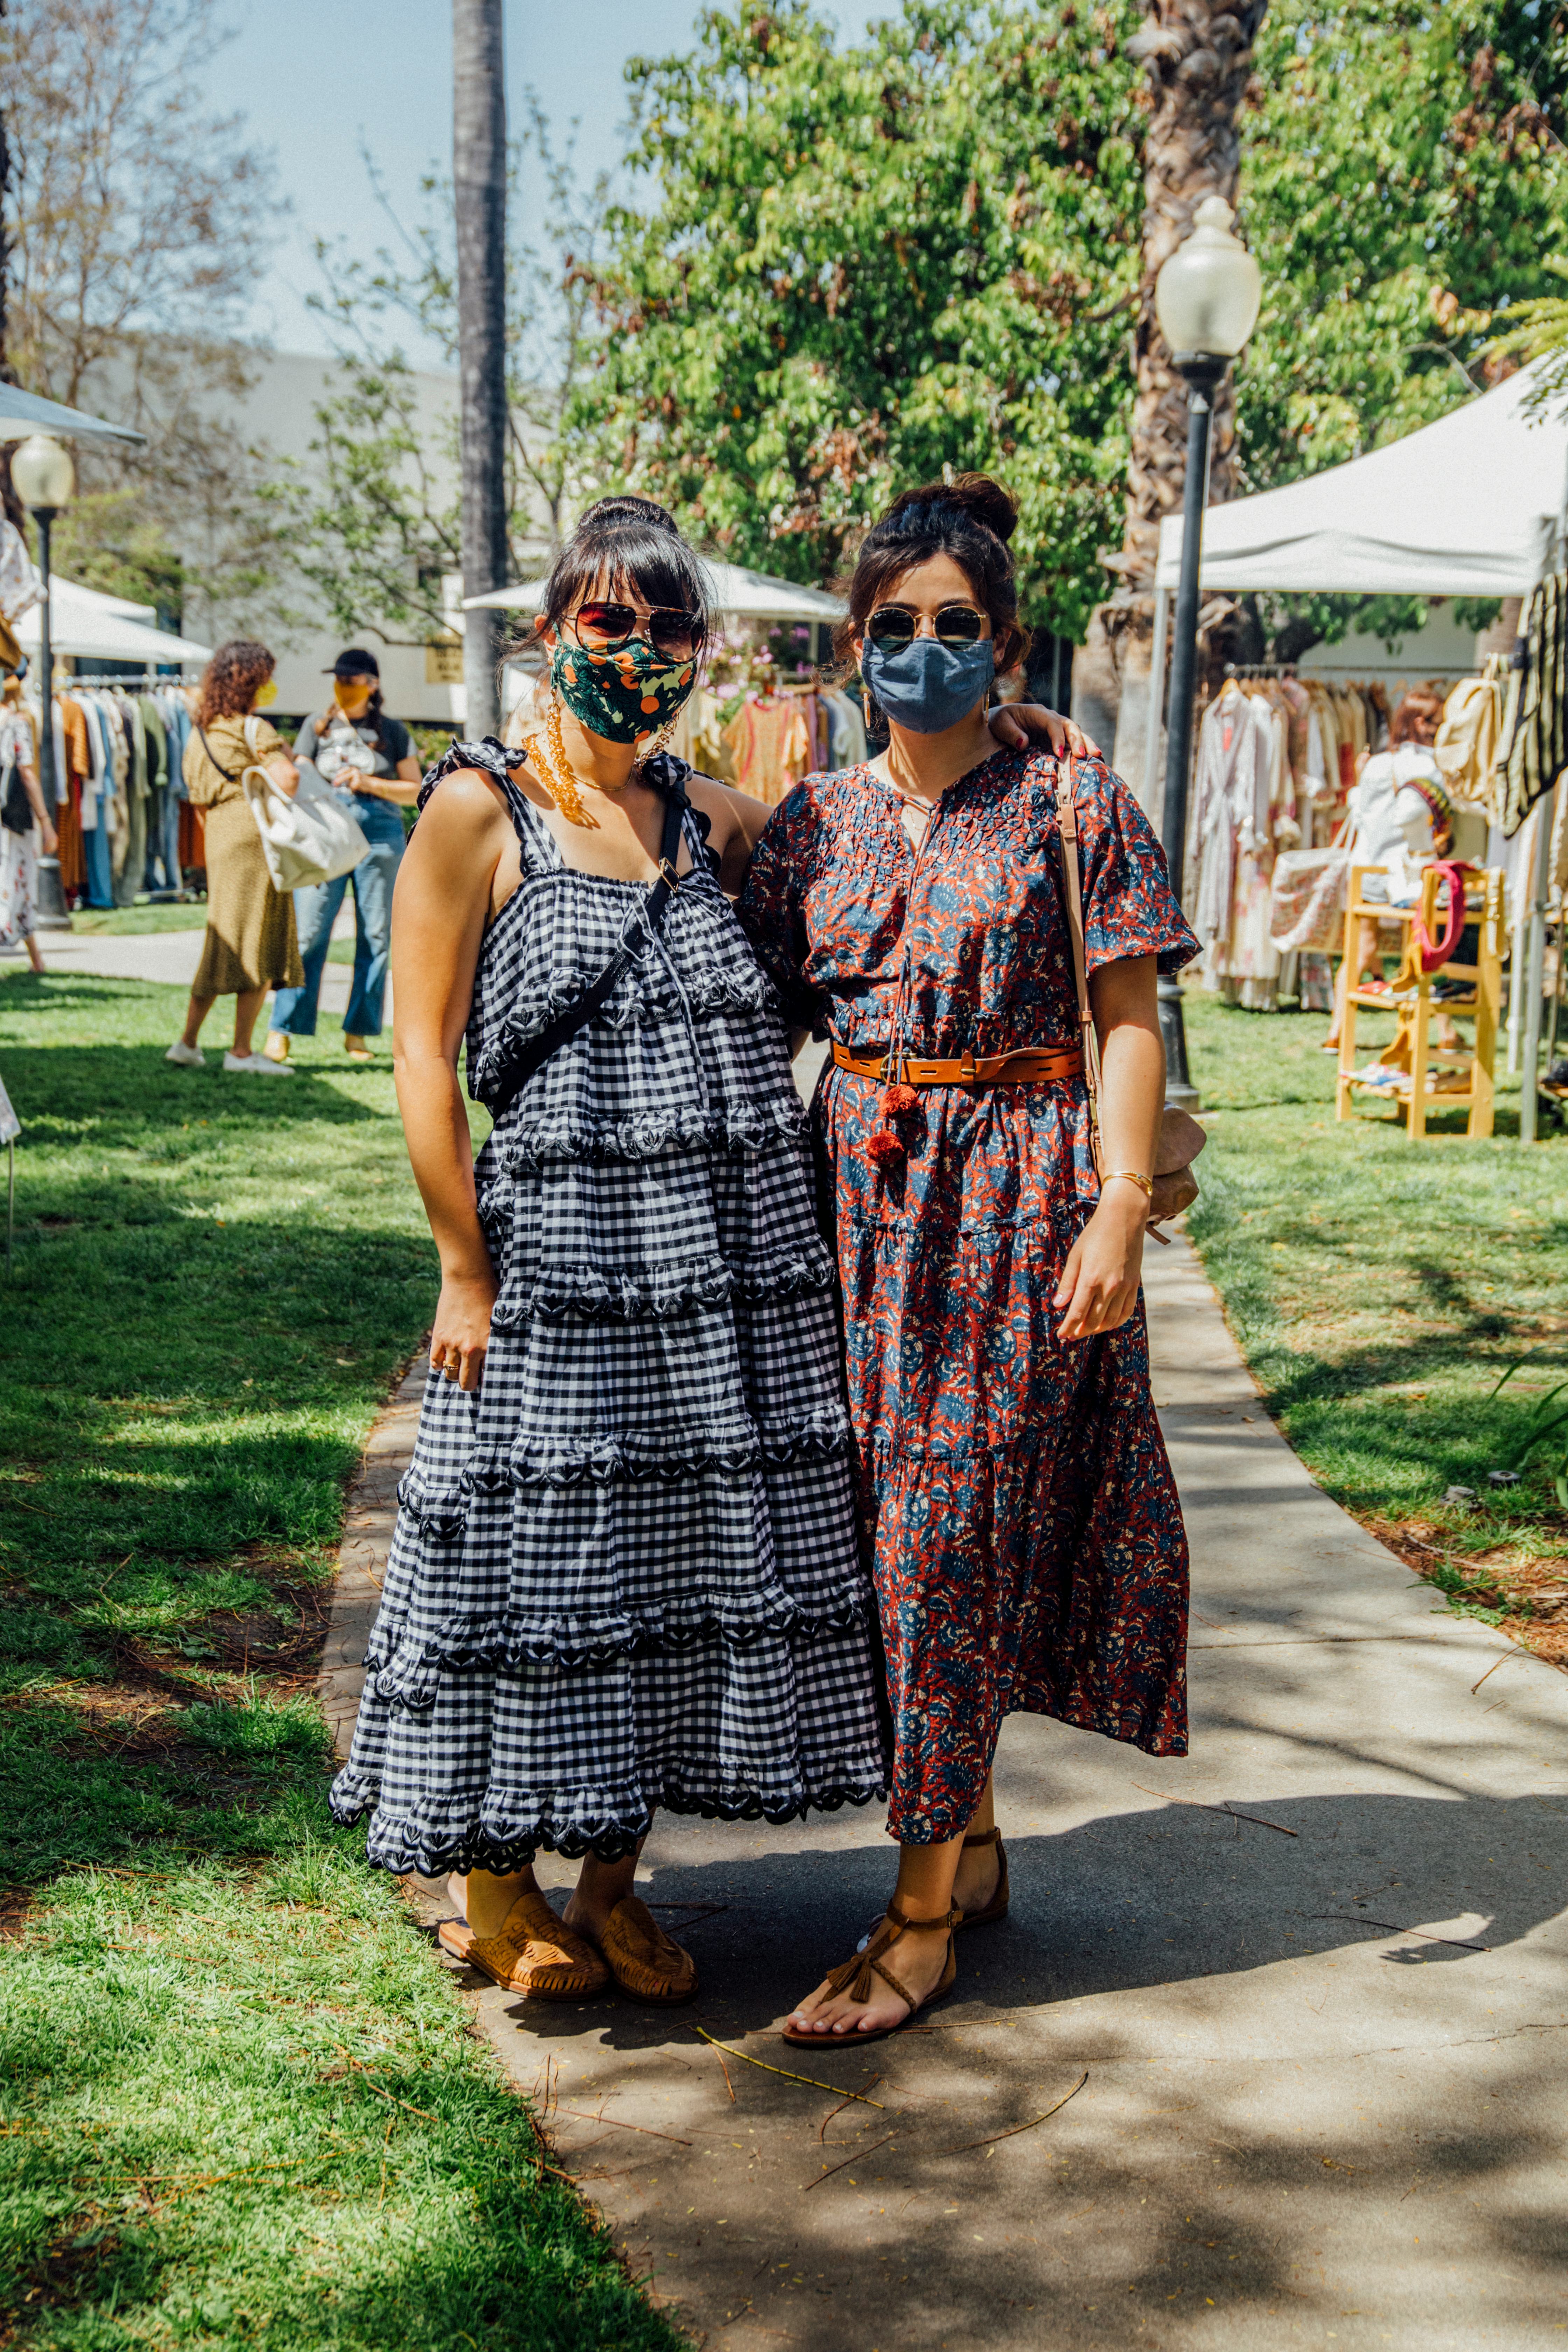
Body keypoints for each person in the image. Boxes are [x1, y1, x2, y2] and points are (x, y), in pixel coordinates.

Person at [328, 495, 896, 2007]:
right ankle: (495, 1876)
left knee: (675, 1567)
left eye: (667, 630)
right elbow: (419, 1052)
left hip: (724, 1269)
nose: (637, 652)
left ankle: (612, 1881)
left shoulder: (718, 821)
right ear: (552, 632)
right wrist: (462, 1262)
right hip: (559, 1265)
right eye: (608, 622)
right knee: (535, 1561)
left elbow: (871, 872)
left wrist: (1022, 755)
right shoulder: (476, 809)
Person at [736, 474, 1200, 2045]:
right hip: (852, 1212)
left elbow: (1127, 1013)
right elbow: (755, 1002)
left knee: (948, 1541)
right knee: (891, 1541)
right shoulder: (811, 823)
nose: (922, 646)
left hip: (1017, 1200)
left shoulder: (1073, 800)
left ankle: (917, 1913)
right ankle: (976, 1835)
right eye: (893, 624)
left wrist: (1120, 1203)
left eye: (953, 623)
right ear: (855, 642)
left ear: (999, 640)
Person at [264, 649, 420, 1065]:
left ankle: (359, 1032)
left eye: (351, 681)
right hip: (325, 836)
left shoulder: (392, 731)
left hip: (380, 836)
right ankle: (283, 1028)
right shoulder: (316, 728)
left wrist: (369, 783)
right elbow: (295, 779)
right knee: (309, 932)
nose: (343, 687)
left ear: (372, 684)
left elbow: (416, 789)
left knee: (376, 937)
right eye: (339, 680)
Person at [167, 640, 303, 1075]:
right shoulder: (254, 729)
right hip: (256, 840)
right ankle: (241, 1052)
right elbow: (290, 779)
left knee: (223, 938)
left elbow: (198, 802)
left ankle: (188, 1042)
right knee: (261, 942)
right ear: (251, 682)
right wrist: (287, 759)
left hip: (221, 840)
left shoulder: (202, 733)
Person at [0, 669, 57, 974]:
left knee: (15, 883)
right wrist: (46, 820)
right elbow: (27, 774)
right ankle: (36, 959)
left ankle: (36, 960)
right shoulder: (16, 723)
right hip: (13, 819)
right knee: (18, 881)